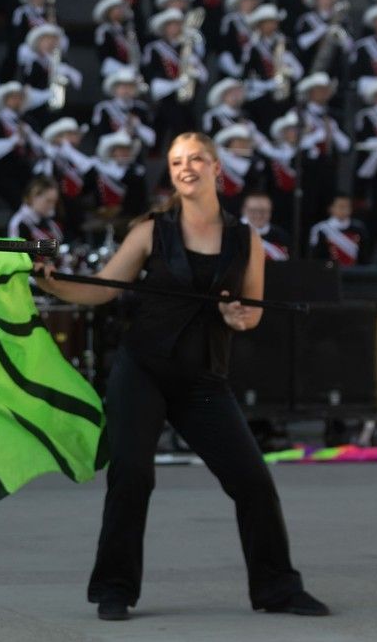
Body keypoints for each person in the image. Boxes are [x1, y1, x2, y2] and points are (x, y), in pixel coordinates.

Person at [35, 131, 329, 621]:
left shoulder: (245, 238)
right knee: (132, 475)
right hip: (143, 370)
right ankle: (114, 588)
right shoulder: (153, 230)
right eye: (176, 162)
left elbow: (251, 311)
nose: (185, 167)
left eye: (195, 159)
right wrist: (53, 283)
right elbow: (103, 289)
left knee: (253, 481)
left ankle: (277, 587)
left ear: (217, 167)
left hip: (203, 381)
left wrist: (241, 318)